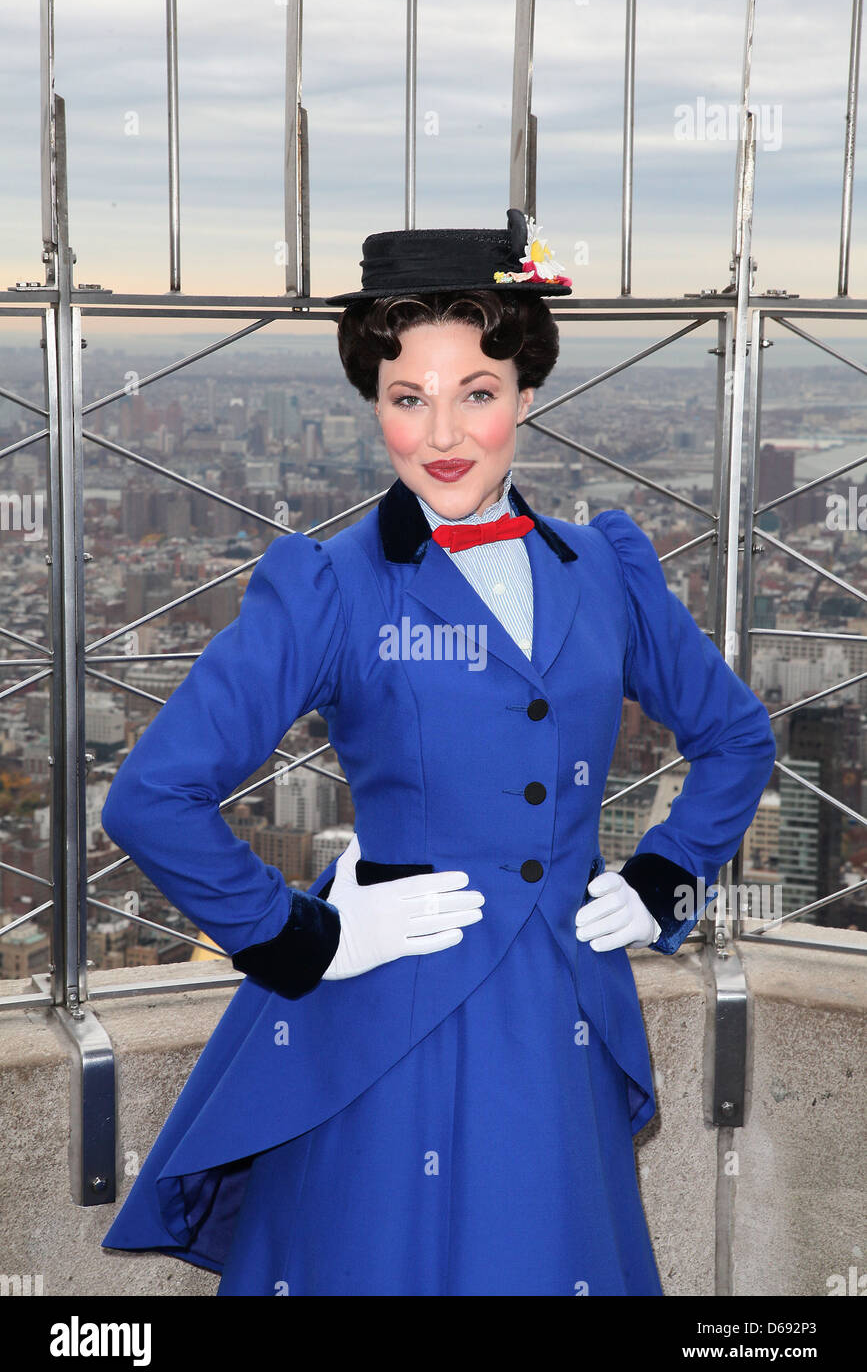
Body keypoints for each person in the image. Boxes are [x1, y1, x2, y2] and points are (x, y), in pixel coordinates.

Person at [99, 208, 777, 1296]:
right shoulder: (326, 583)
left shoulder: (605, 568)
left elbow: (739, 734)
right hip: (393, 1009)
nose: (445, 434)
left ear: (526, 394)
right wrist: (304, 938)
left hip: (561, 1013)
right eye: (408, 399)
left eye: (479, 393)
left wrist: (663, 874)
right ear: (375, 401)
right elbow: (150, 797)